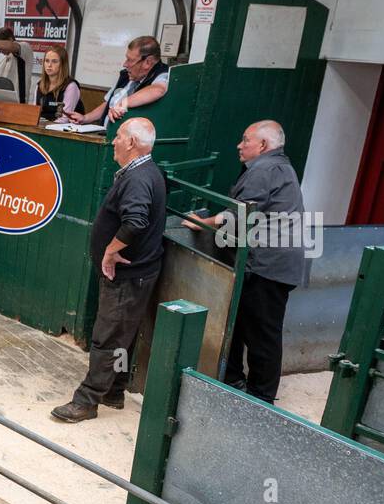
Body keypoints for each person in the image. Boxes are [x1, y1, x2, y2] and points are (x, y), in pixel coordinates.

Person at [51, 118, 166, 423]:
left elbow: (136, 221)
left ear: (132, 143)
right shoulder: (141, 172)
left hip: (128, 275)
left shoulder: (139, 178)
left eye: (118, 137)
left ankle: (87, 401)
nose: (113, 141)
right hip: (137, 273)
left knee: (107, 336)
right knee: (123, 334)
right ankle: (114, 390)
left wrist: (111, 251)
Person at [184, 120, 307, 403]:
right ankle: (235, 379)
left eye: (245, 140)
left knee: (262, 334)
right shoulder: (276, 167)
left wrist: (202, 223)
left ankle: (261, 398)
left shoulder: (265, 169)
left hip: (268, 266)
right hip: (264, 263)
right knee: (241, 324)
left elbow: (240, 216)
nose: (239, 145)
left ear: (263, 145)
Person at [72, 36, 168, 126]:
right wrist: (86, 118)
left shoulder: (163, 74)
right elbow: (109, 103)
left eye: (130, 60)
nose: (125, 64)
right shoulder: (126, 75)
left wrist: (123, 104)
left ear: (147, 62)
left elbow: (158, 89)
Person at [36, 46, 82, 122]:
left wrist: (46, 127)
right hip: (43, 127)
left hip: (63, 130)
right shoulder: (39, 85)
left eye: (54, 61)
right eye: (47, 61)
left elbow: (65, 119)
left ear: (63, 64)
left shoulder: (71, 86)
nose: (49, 65)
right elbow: (34, 113)